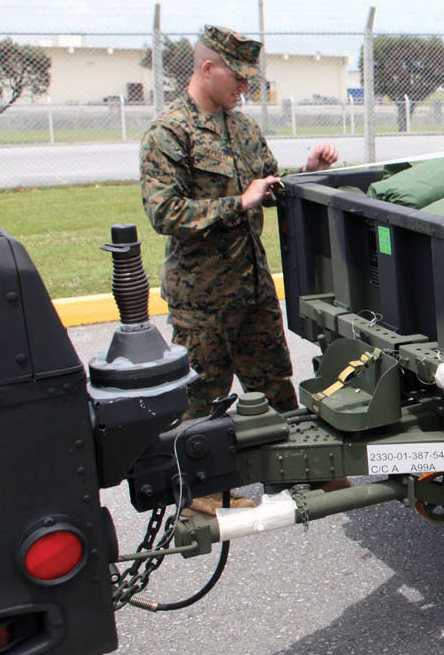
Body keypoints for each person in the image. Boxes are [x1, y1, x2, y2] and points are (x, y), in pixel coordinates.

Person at [141, 26, 339, 509]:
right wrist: (238, 203)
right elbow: (163, 213)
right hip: (201, 295)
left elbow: (269, 189)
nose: (245, 86)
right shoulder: (170, 133)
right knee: (202, 394)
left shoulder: (243, 128)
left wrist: (307, 174)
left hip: (252, 287)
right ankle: (201, 491)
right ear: (207, 68)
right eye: (238, 75)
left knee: (274, 384)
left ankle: (303, 472)